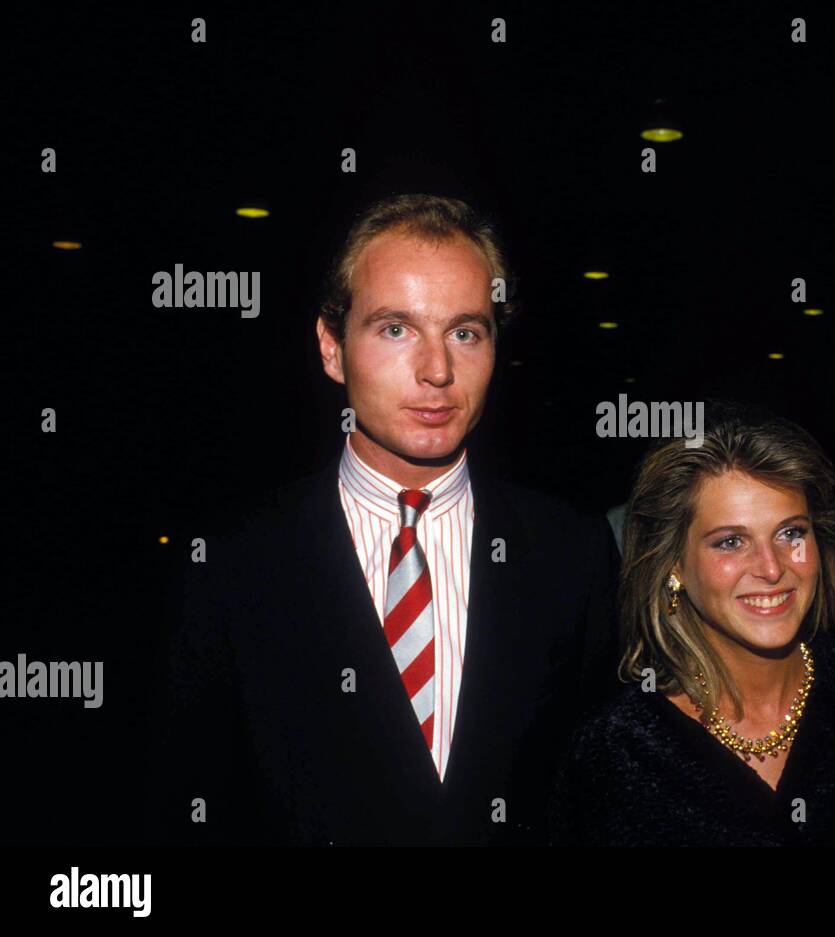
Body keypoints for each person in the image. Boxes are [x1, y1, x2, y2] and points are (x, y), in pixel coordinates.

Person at [155, 194, 619, 845]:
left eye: (465, 331)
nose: (437, 370)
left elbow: (595, 800)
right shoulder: (233, 564)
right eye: (395, 328)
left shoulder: (571, 552)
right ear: (331, 346)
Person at [550, 408, 835, 845]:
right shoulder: (618, 754)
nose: (771, 568)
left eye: (791, 533)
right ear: (674, 565)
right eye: (731, 542)